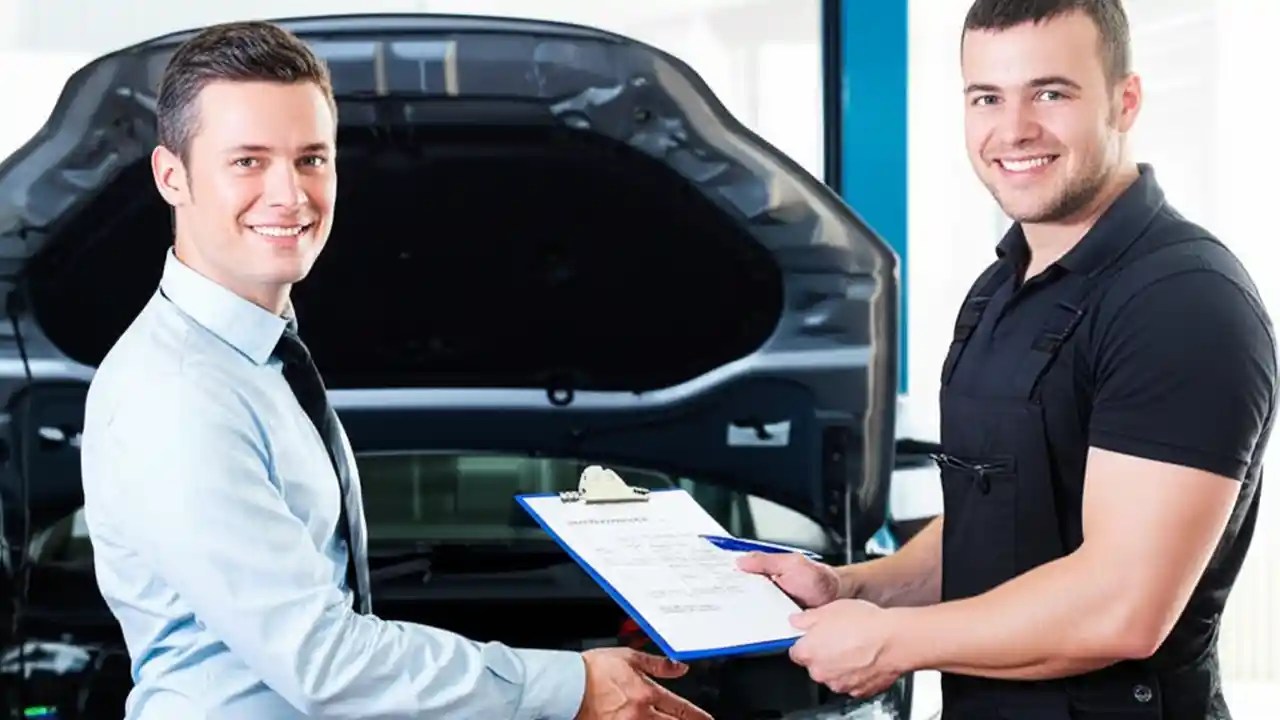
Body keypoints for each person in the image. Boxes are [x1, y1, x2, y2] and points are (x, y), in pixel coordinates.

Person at [78, 21, 712, 720]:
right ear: (173, 176)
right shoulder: (177, 393)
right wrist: (571, 687)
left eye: (312, 158)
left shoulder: (256, 361)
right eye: (248, 161)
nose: (290, 194)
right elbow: (322, 661)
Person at [738, 1, 1275, 718]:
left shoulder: (1183, 302)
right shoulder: (1000, 289)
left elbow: (1122, 604)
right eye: (987, 97)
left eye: (1050, 93)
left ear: (1126, 100)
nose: (1014, 129)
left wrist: (894, 642)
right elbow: (998, 521)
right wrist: (855, 589)